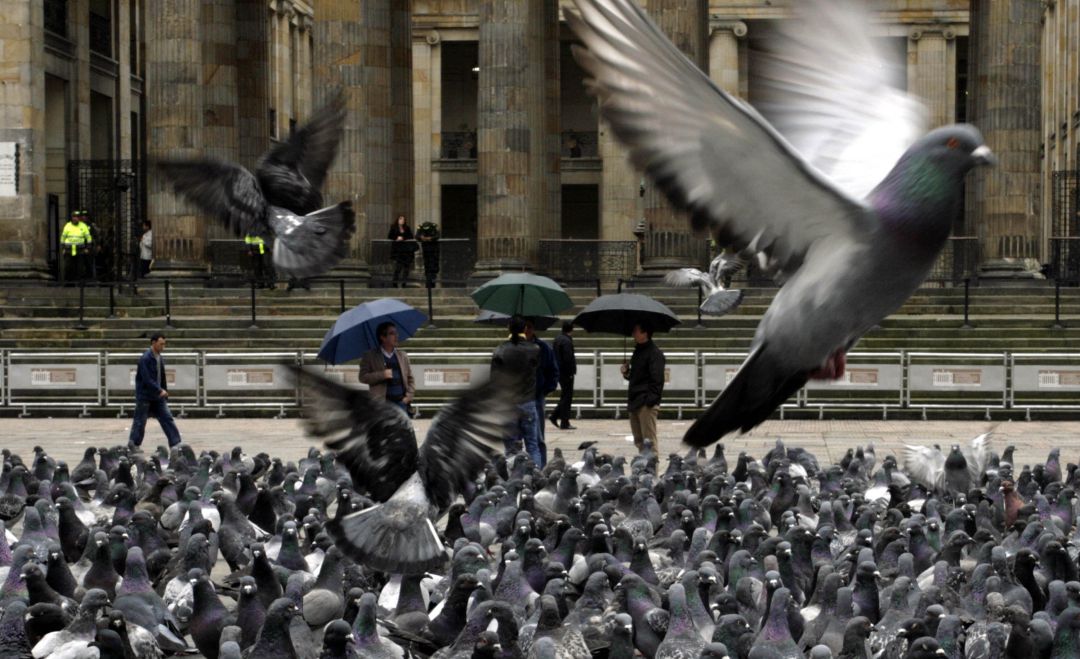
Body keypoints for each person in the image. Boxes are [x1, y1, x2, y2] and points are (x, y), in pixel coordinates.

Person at [491, 315, 542, 466]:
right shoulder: (534, 349)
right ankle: (536, 477)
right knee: (532, 445)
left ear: (508, 328)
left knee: (510, 448)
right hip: (527, 400)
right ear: (525, 328)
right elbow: (536, 369)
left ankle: (512, 475)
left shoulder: (500, 350)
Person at [128, 332, 183, 450]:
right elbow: (147, 379)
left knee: (167, 418)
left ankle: (176, 443)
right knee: (140, 421)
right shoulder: (146, 358)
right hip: (145, 395)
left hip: (158, 396)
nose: (163, 347)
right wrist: (159, 390)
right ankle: (134, 444)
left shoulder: (159, 357)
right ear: (153, 343)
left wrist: (163, 391)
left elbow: (161, 377)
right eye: (161, 344)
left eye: (164, 344)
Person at [621, 321, 665, 454]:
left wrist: (649, 402)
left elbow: (657, 380)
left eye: (636, 330)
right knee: (639, 441)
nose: (633, 333)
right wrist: (626, 372)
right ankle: (643, 473)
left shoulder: (654, 353)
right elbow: (637, 376)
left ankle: (652, 474)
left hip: (645, 403)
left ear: (645, 333)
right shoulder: (638, 351)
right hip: (634, 400)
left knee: (649, 443)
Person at [358, 321, 415, 414]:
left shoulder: (403, 356)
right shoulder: (369, 356)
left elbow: (410, 379)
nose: (396, 336)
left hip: (401, 404)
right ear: (383, 337)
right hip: (381, 406)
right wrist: (382, 374)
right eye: (392, 333)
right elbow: (363, 377)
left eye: (396, 333)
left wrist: (408, 397)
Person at [524, 318, 558, 468]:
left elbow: (553, 370)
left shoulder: (543, 348)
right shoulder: (513, 347)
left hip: (536, 397)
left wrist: (545, 389)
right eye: (524, 327)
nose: (526, 331)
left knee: (538, 438)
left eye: (529, 327)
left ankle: (540, 469)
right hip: (517, 397)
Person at [549, 321, 577, 430]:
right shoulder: (566, 341)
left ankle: (556, 416)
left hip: (559, 371)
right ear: (571, 329)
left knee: (565, 396)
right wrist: (570, 372)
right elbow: (568, 359)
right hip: (566, 372)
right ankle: (563, 421)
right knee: (567, 397)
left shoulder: (558, 339)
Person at [60, 209, 93, 285]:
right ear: (72, 217)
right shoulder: (67, 225)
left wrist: (88, 248)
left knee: (80, 268)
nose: (76, 218)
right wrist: (63, 248)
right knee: (68, 267)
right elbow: (63, 238)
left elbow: (88, 238)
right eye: (74, 217)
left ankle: (79, 284)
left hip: (80, 249)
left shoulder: (83, 226)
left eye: (77, 217)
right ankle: (68, 284)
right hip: (69, 249)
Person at [388, 215, 416, 288]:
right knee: (398, 268)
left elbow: (411, 237)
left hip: (406, 251)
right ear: (397, 220)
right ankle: (395, 282)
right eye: (400, 219)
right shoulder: (393, 227)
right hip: (398, 251)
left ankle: (404, 283)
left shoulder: (407, 228)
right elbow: (390, 236)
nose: (402, 220)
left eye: (403, 219)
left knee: (406, 268)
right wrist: (396, 238)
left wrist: (403, 238)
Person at [416, 221, 440, 288]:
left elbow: (437, 236)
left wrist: (430, 238)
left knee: (434, 267)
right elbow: (417, 236)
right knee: (427, 266)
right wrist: (421, 238)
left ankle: (432, 282)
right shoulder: (420, 227)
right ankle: (428, 283)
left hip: (434, 250)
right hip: (426, 250)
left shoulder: (434, 226)